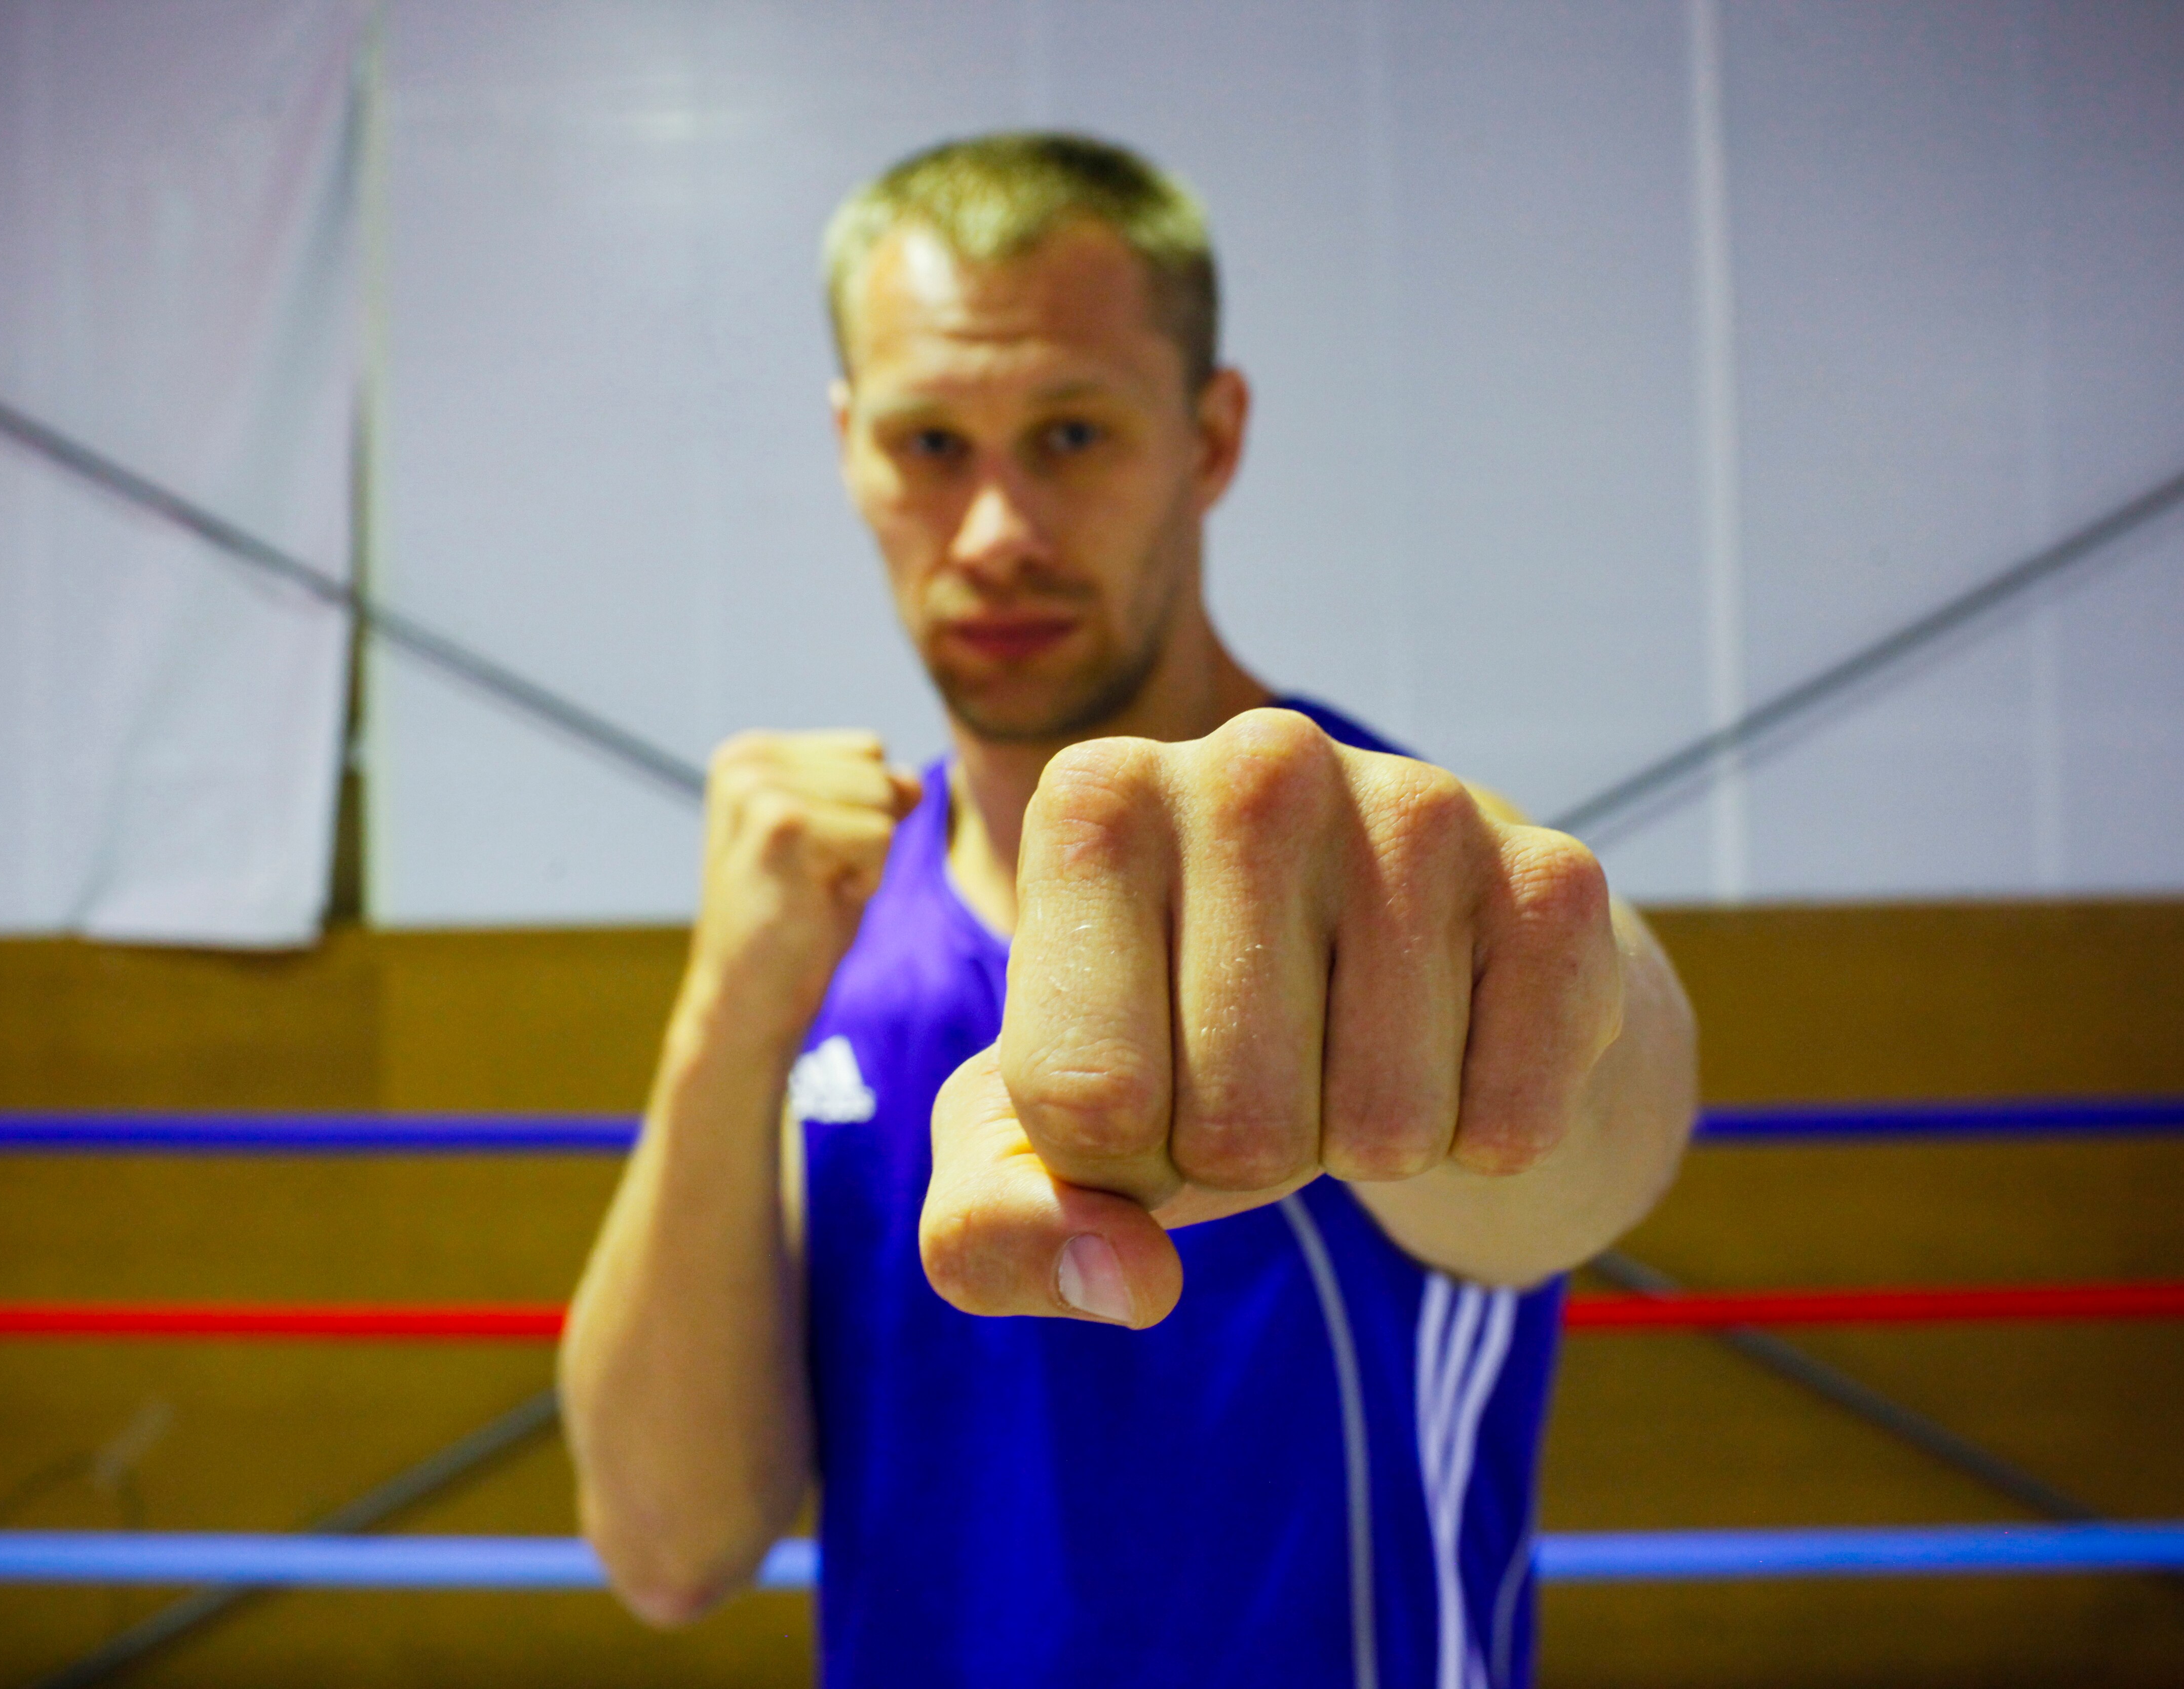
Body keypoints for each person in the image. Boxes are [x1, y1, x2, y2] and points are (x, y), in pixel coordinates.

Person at [560, 132, 1697, 1689]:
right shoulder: (829, 926)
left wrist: (1555, 977)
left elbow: (1593, 1126)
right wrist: (722, 1020)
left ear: (1211, 437)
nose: (997, 532)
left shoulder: (1376, 870)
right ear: (848, 448)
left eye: (1074, 433)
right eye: (932, 446)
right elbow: (669, 1549)